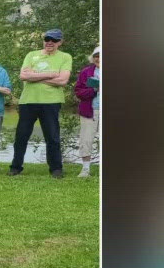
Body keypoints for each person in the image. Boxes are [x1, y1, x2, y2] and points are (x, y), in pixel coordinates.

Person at [10, 28, 71, 177]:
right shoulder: (31, 55)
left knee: (52, 137)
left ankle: (56, 169)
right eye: (47, 39)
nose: (50, 42)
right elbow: (24, 76)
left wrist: (35, 76)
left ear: (60, 42)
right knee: (21, 136)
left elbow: (63, 81)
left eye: (54, 40)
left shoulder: (65, 57)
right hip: (28, 101)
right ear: (43, 40)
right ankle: (16, 167)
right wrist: (50, 75)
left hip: (51, 102)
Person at [74, 45, 101, 177]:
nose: (98, 58)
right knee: (86, 139)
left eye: (101, 55)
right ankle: (85, 169)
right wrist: (94, 89)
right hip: (90, 111)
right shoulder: (86, 72)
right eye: (96, 56)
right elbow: (78, 92)